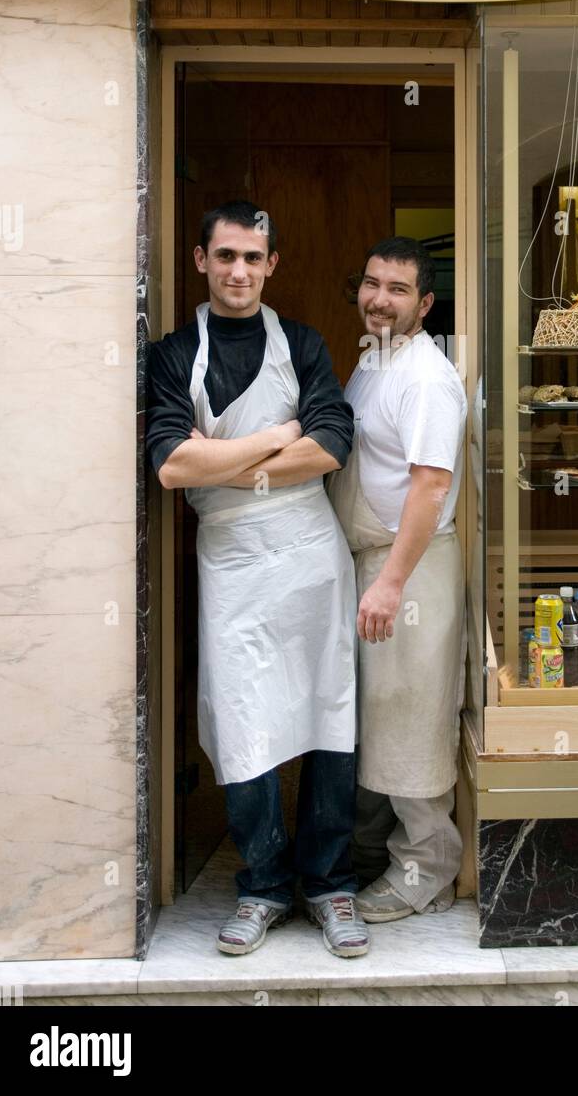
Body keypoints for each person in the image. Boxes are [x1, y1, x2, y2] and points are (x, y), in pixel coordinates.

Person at [146, 200, 368, 959]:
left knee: (328, 716)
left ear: (271, 265)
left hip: (311, 553)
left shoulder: (301, 343)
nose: (238, 270)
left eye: (253, 257)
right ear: (201, 260)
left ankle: (329, 884)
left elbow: (332, 443)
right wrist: (279, 435)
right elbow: (173, 465)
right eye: (225, 256)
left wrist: (230, 458)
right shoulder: (174, 354)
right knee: (244, 722)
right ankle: (263, 886)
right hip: (233, 560)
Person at [327, 237, 467, 921]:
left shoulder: (426, 377)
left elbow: (430, 486)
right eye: (372, 283)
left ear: (425, 303)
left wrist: (389, 583)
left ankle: (428, 870)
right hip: (374, 563)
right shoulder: (374, 360)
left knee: (412, 716)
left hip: (408, 569)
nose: (380, 298)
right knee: (378, 718)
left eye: (398, 289)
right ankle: (377, 856)